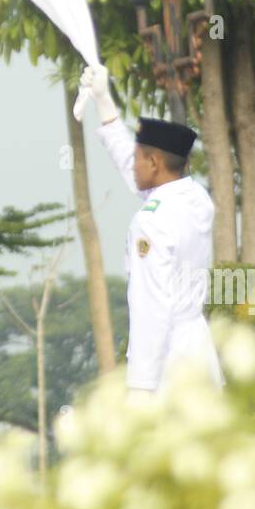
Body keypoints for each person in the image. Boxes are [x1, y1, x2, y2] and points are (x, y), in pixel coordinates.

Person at [78, 64, 224, 395]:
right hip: (199, 356)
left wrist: (141, 388)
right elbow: (137, 174)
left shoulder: (151, 221)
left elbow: (151, 307)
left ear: (155, 164)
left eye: (139, 158)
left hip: (167, 372)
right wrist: (104, 103)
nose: (134, 164)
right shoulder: (195, 198)